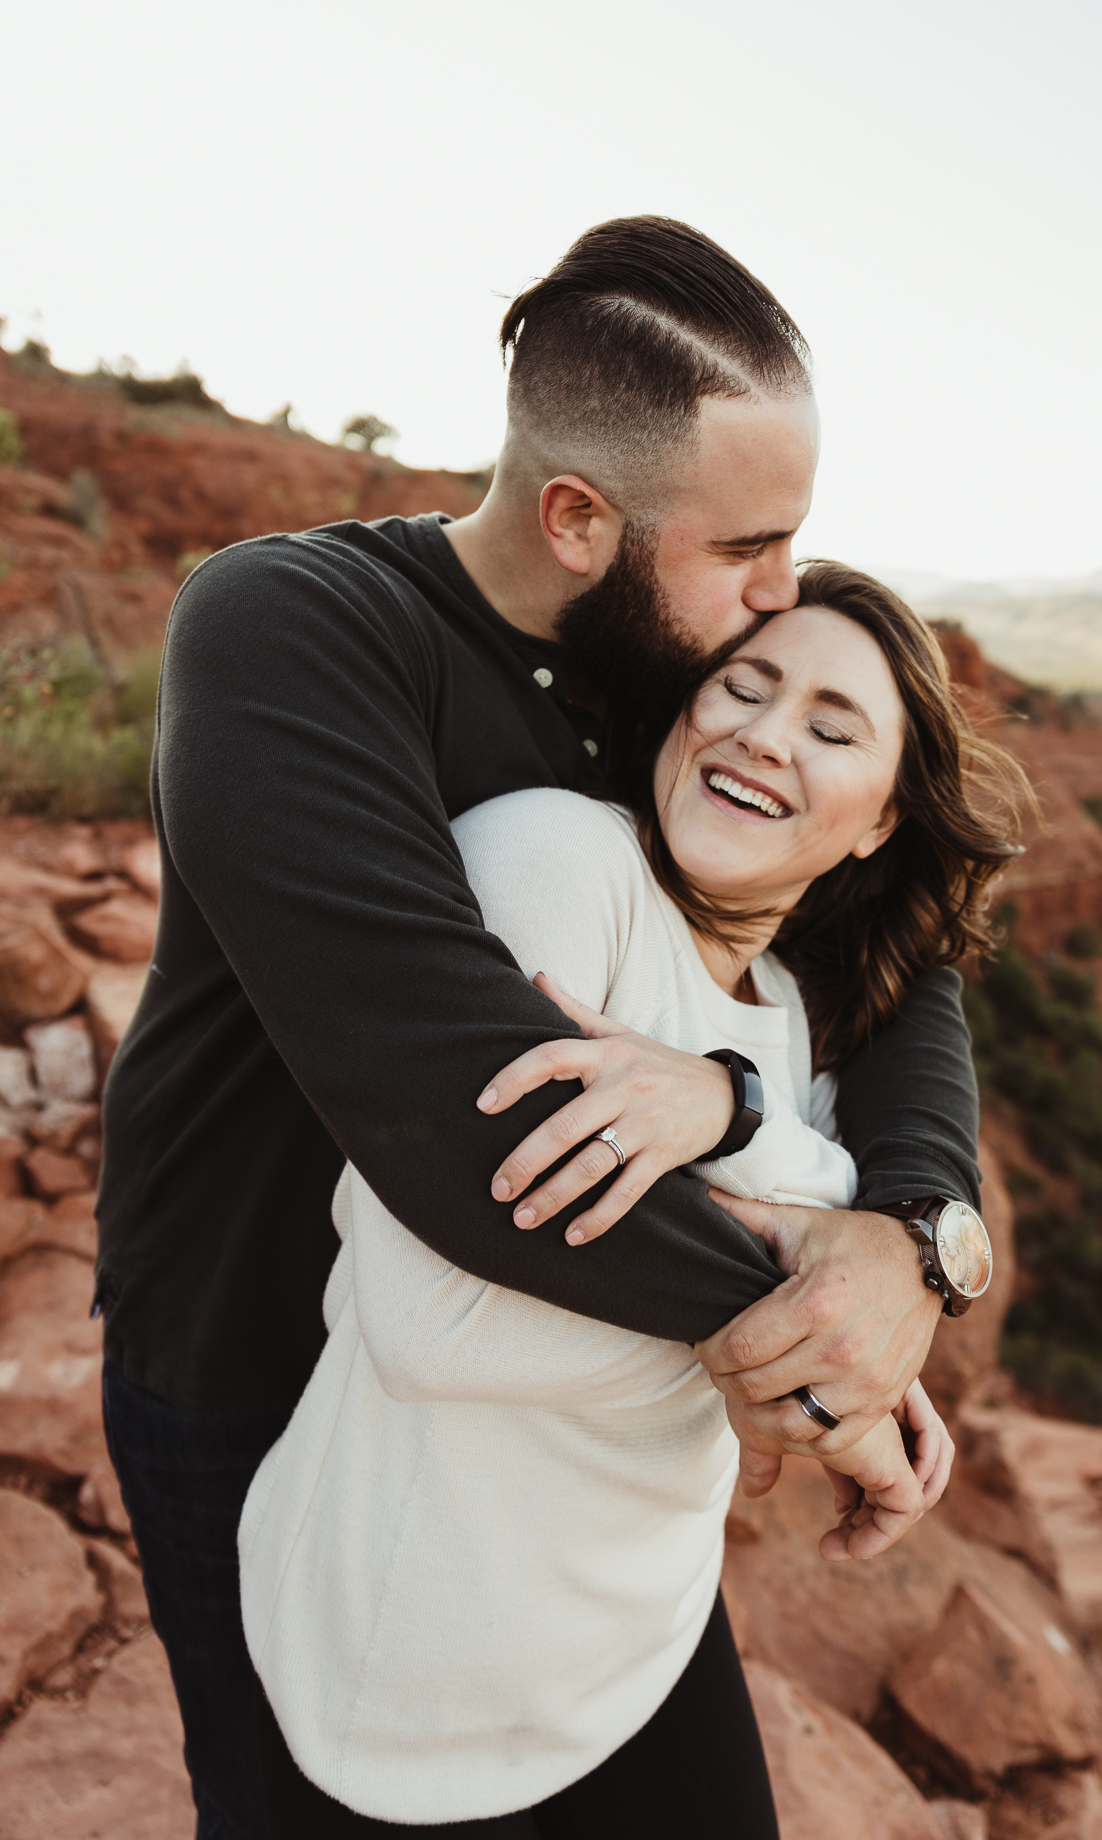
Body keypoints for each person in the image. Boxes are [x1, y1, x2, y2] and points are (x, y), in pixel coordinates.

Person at [96, 218, 985, 1838]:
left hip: (566, 1412)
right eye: (750, 548)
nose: (773, 600)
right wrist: (824, 1360)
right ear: (581, 516)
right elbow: (464, 1111)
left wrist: (914, 1232)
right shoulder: (291, 631)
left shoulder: (669, 663)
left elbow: (893, 952)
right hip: (252, 1356)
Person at [239, 563, 1015, 1835]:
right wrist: (817, 1375)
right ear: (680, 711)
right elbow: (440, 1322)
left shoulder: (800, 1014)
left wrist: (739, 1125)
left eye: (831, 726)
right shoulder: (556, 859)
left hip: (642, 1630)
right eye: (742, 686)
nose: (766, 733)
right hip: (408, 1663)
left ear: (881, 817)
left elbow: (830, 1235)